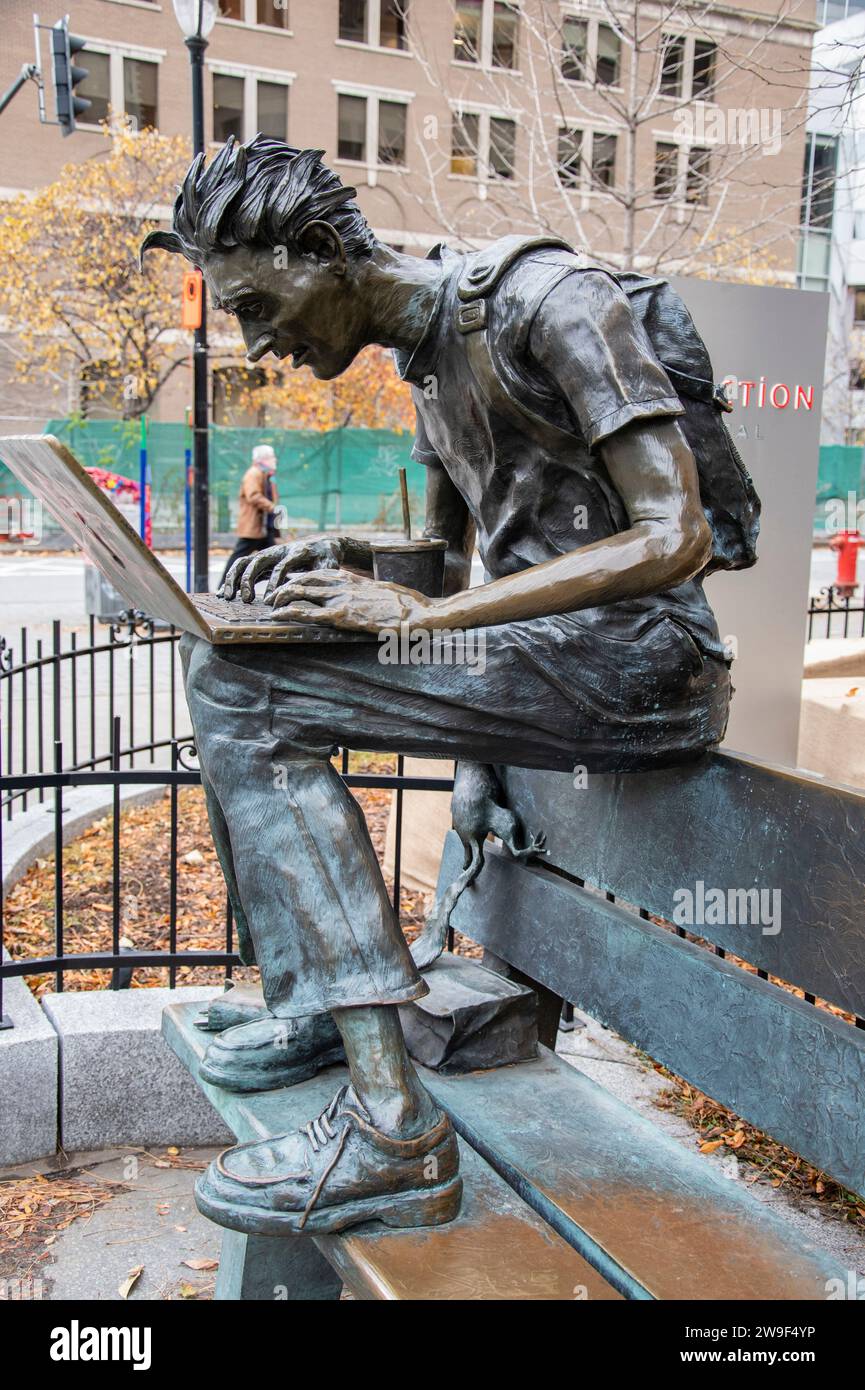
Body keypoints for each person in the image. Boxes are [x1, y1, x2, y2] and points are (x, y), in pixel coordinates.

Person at [141, 136, 756, 1238]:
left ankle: (391, 1130)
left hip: (643, 663)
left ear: (320, 249)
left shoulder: (549, 303)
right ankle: (322, 1015)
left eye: (255, 303)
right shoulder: (429, 361)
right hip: (551, 662)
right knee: (232, 667)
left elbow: (677, 534)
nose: (256, 341)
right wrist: (337, 559)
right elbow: (446, 565)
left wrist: (424, 620)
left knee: (246, 690)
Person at [218, 443, 281, 586]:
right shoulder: (254, 473)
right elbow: (253, 496)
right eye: (272, 457)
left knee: (273, 559)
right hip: (253, 527)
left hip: (262, 529)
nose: (274, 460)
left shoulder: (264, 474)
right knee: (239, 557)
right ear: (263, 459)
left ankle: (283, 584)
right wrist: (272, 507)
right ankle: (223, 584)